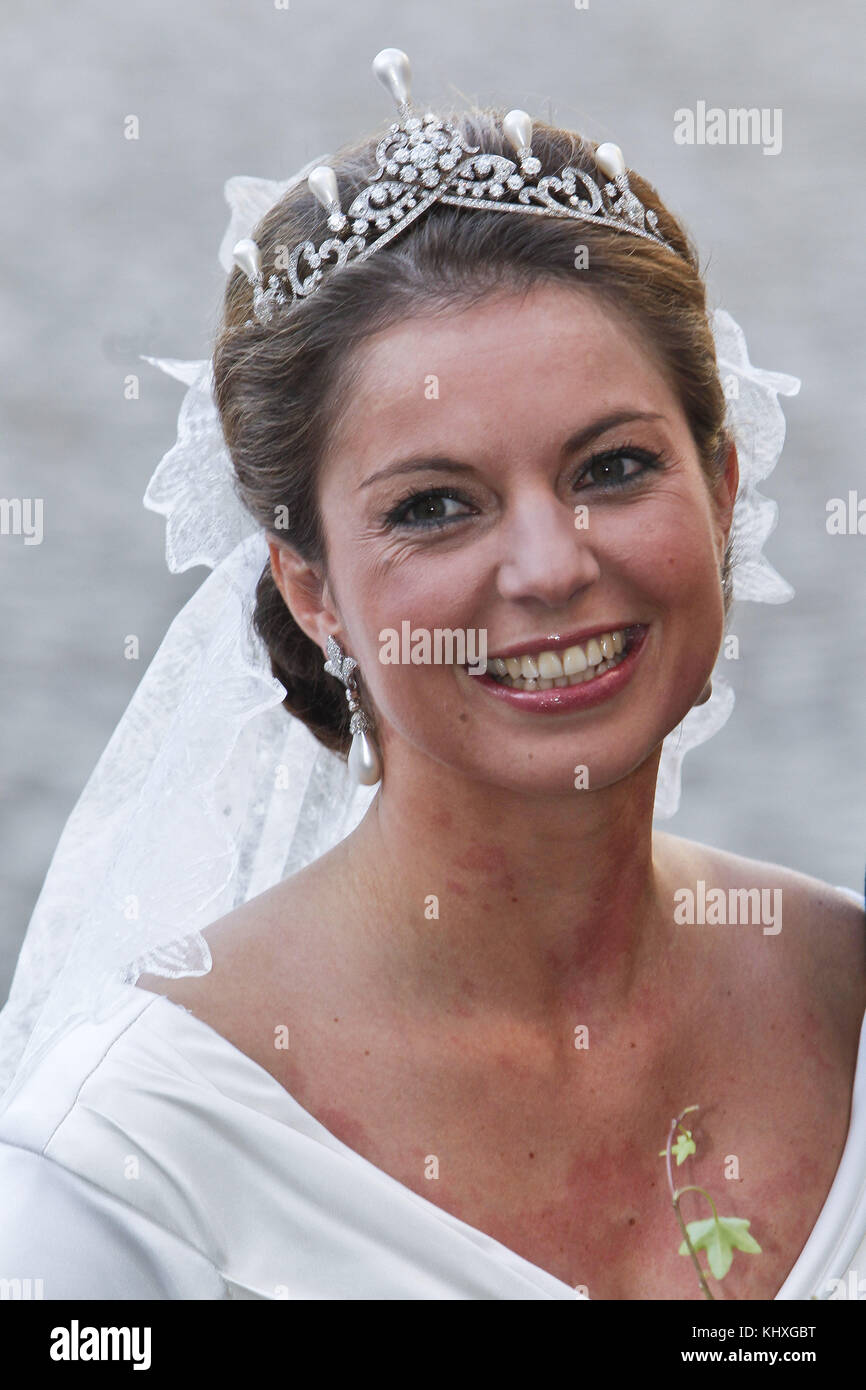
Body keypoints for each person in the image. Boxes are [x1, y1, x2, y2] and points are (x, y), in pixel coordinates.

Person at [0, 50, 863, 1302]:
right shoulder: (129, 1166)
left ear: (721, 486)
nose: (548, 565)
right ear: (308, 585)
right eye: (436, 504)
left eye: (611, 468)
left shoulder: (847, 999)